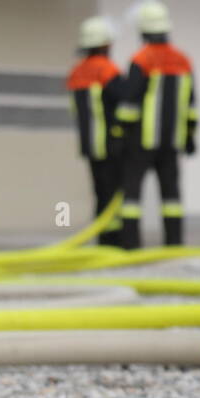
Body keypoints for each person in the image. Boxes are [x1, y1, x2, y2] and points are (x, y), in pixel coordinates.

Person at [116, 2, 197, 247]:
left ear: (143, 32)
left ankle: (130, 245)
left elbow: (130, 101)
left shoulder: (141, 60)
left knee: (131, 195)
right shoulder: (183, 60)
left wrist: (120, 132)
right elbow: (191, 103)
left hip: (142, 140)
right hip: (172, 140)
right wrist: (190, 135)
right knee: (171, 196)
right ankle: (174, 243)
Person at [66, 17, 126, 246]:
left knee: (100, 193)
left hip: (90, 144)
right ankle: (115, 242)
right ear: (104, 44)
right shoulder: (106, 69)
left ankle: (103, 239)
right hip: (111, 144)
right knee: (114, 196)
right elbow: (122, 99)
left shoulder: (77, 72)